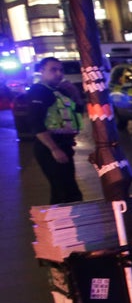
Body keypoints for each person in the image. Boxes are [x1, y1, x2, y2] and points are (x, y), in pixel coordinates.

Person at [28, 57, 84, 204]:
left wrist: (75, 93)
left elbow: (78, 109)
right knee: (64, 192)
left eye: (61, 70)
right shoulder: (38, 91)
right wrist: (54, 149)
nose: (59, 73)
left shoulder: (59, 91)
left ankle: (63, 224)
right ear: (41, 71)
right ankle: (62, 224)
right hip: (49, 147)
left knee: (69, 190)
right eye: (53, 70)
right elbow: (36, 124)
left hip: (64, 145)